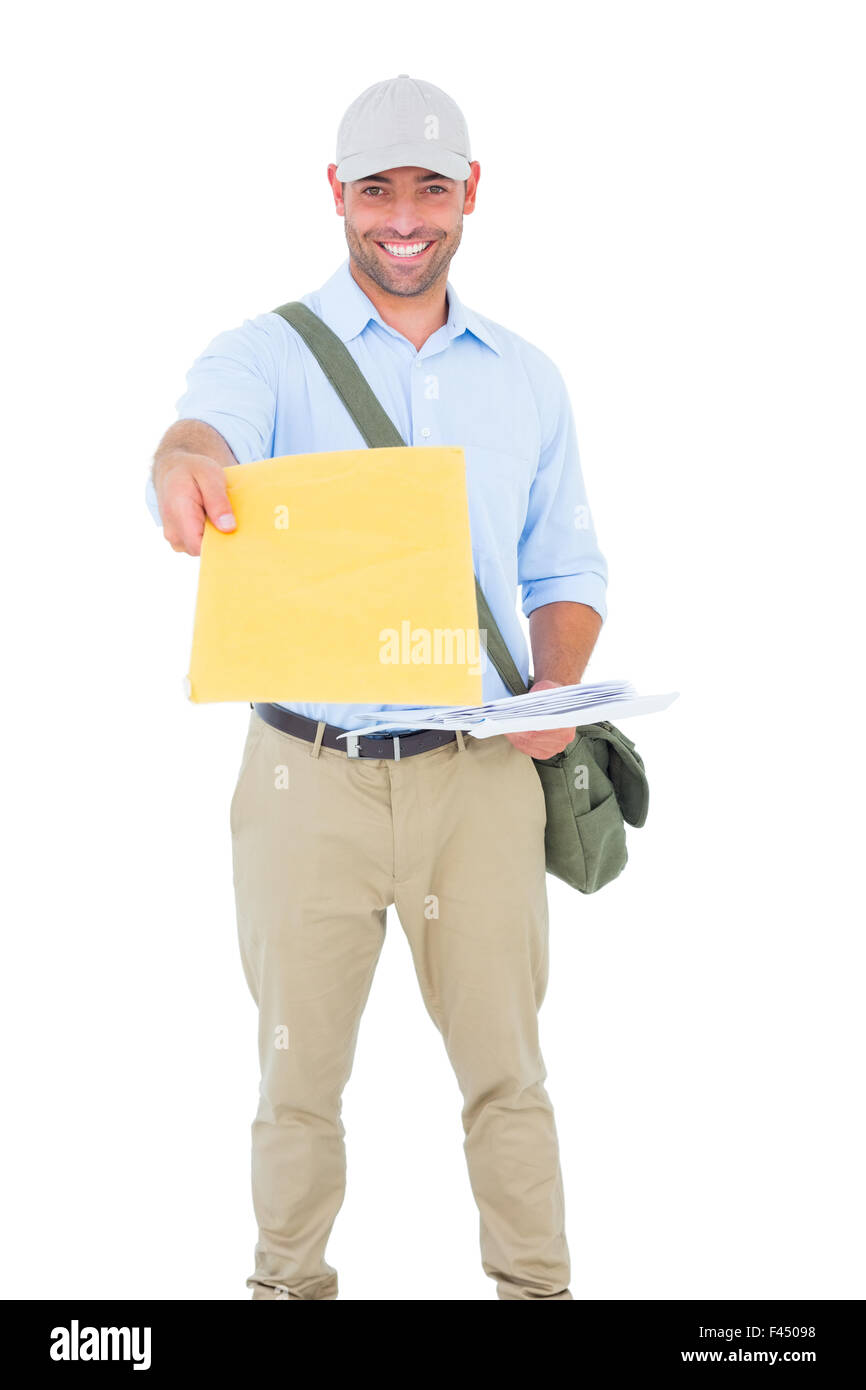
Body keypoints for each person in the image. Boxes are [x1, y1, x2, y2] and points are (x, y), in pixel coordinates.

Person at [149, 74, 608, 1301]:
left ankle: (536, 1291)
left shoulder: (527, 378)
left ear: (469, 193)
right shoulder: (267, 355)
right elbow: (204, 433)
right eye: (374, 191)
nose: (401, 219)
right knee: (295, 1082)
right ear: (334, 196)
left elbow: (563, 564)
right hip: (307, 779)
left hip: (477, 779)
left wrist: (553, 682)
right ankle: (284, 1291)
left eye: (427, 189)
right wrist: (181, 468)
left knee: (507, 1076)